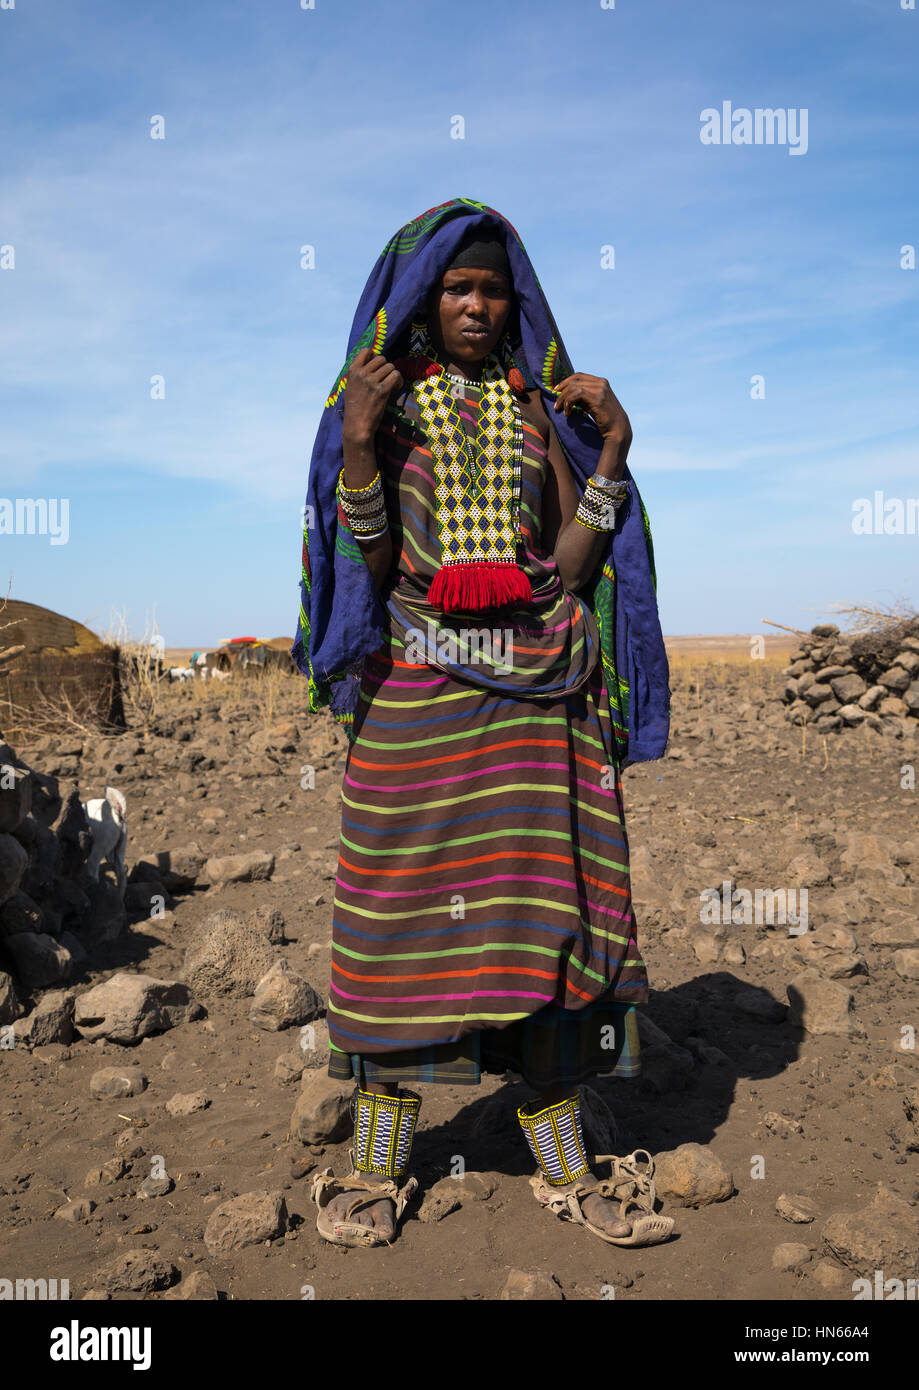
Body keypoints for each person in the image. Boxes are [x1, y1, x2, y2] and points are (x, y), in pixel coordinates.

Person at [292, 198, 672, 1250]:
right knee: (393, 930)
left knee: (537, 938)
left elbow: (567, 566)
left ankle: (565, 1166)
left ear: (515, 303)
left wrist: (610, 454)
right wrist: (361, 437)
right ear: (424, 297)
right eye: (456, 287)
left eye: (490, 289)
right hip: (419, 706)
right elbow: (370, 572)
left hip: (533, 711)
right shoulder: (391, 409)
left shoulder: (532, 411)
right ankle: (376, 1164)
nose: (473, 304)